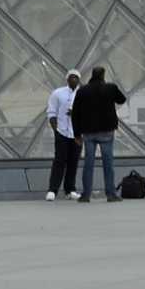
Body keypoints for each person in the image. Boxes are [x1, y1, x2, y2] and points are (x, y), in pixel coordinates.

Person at [72, 64, 126, 201]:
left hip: (88, 131)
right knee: (108, 164)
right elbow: (122, 99)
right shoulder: (110, 88)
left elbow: (75, 114)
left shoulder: (82, 91)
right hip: (107, 131)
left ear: (92, 75)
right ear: (103, 75)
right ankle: (111, 194)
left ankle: (86, 194)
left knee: (88, 164)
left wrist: (76, 134)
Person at [45, 70, 79, 202]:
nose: (74, 79)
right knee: (59, 161)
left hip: (76, 133)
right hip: (62, 132)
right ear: (67, 79)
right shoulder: (57, 93)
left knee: (73, 162)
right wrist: (56, 131)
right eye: (72, 77)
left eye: (77, 77)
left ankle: (70, 190)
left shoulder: (82, 94)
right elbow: (51, 112)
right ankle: (52, 190)